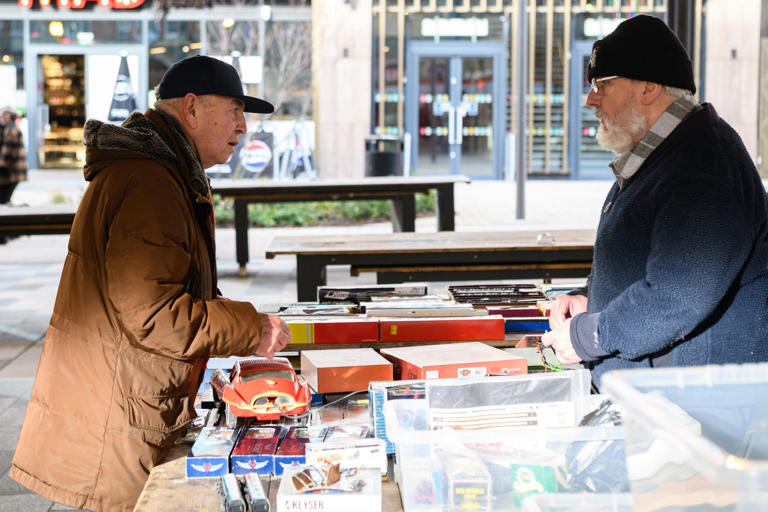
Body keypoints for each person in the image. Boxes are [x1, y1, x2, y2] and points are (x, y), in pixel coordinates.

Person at [9, 55, 292, 511]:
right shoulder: (149, 181)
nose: (243, 126)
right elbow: (155, 314)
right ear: (193, 108)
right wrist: (250, 328)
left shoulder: (161, 171)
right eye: (235, 109)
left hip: (124, 399)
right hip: (116, 418)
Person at [541, 15, 768, 388]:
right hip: (665, 397)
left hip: (692, 408)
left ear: (648, 89)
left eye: (602, 84)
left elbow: (678, 295)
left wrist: (588, 336)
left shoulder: (702, 165)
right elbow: (641, 258)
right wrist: (590, 299)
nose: (590, 99)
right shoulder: (667, 153)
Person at [0, 108, 27, 204]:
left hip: (13, 169)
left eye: (1, 116)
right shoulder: (11, 128)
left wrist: (2, 164)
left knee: (3, 199)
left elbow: (8, 150)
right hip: (13, 169)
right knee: (4, 199)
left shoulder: (11, 129)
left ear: (7, 116)